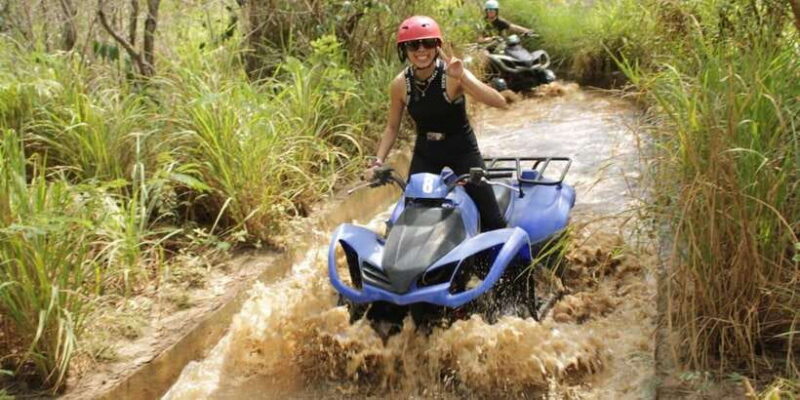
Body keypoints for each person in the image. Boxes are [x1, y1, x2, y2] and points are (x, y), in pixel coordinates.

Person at [366, 15, 508, 231]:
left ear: (437, 46)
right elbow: (392, 127)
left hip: (461, 149)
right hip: (427, 151)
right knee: (410, 212)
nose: (421, 50)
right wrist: (377, 162)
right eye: (414, 44)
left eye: (428, 43)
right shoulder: (399, 85)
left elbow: (500, 102)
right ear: (404, 49)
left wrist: (463, 78)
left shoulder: (452, 74)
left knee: (492, 218)